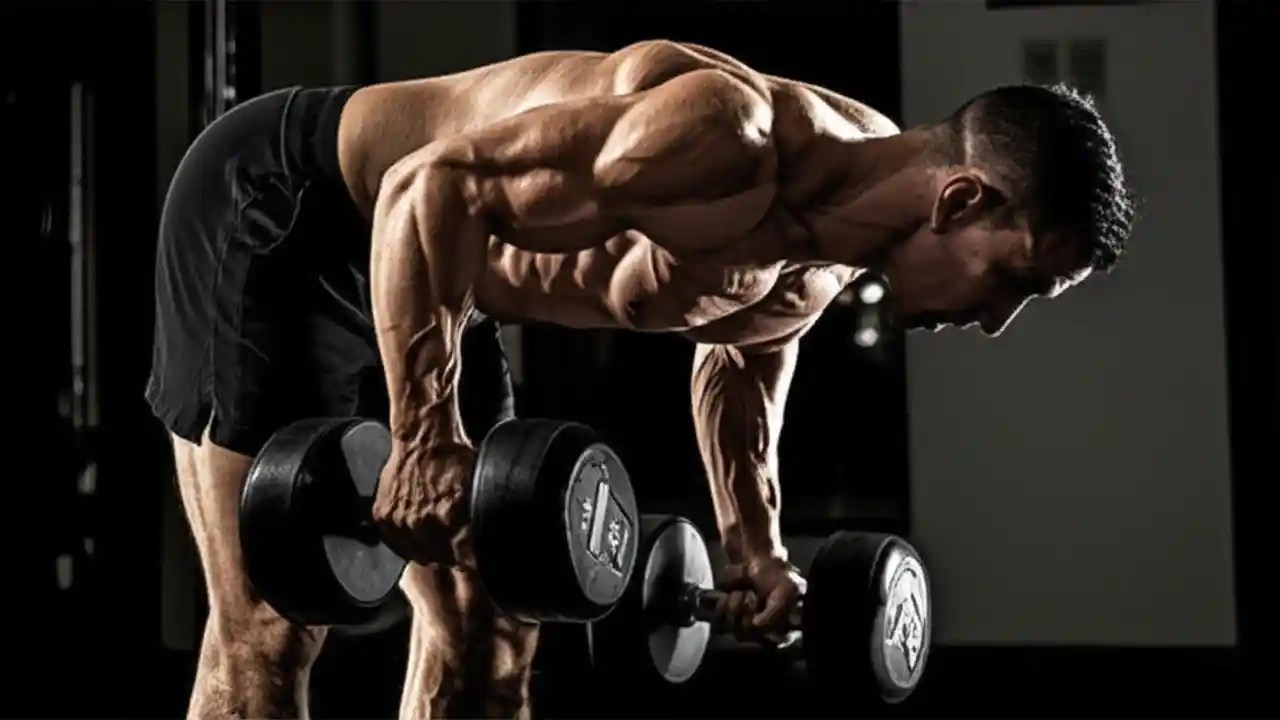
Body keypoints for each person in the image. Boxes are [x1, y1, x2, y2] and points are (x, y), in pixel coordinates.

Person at [145, 39, 1135, 719]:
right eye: (1012, 279)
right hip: (294, 212)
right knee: (272, 628)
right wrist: (426, 434)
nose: (997, 321)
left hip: (446, 289)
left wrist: (752, 543)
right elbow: (426, 187)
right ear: (961, 198)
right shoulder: (722, 137)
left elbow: (742, 362)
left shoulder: (835, 246)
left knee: (494, 642)